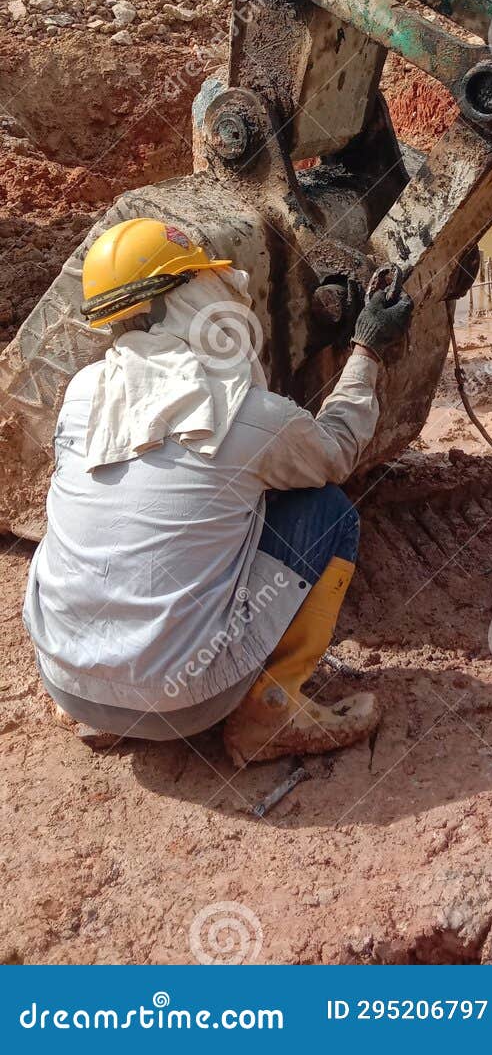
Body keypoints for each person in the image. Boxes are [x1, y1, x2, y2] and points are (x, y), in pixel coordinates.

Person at [23, 217, 412, 765]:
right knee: (327, 512)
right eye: (203, 282)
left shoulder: (84, 392)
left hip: (66, 681)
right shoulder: (247, 416)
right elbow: (337, 451)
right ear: (185, 299)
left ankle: (102, 706)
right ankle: (269, 714)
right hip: (185, 702)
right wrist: (367, 350)